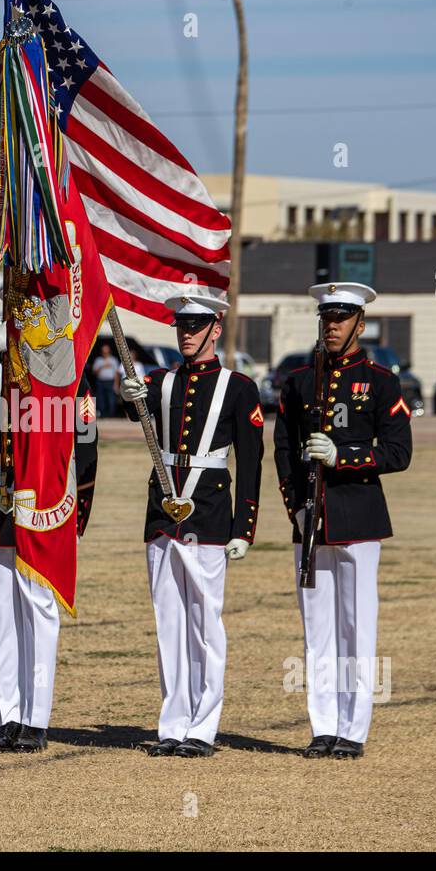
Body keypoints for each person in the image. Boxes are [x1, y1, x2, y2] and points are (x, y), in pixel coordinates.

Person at [0, 322, 98, 752]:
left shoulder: (66, 367)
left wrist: (75, 516)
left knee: (38, 606)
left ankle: (36, 719)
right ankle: (7, 715)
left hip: (44, 499)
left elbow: (84, 444)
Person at [119, 292, 264, 758]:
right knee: (169, 622)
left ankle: (203, 726)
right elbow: (146, 425)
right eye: (181, 325)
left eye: (196, 326)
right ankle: (173, 722)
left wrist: (245, 527)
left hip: (209, 510)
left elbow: (252, 460)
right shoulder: (160, 380)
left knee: (205, 622)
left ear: (215, 329)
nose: (186, 333)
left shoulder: (238, 387)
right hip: (163, 509)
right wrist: (129, 400)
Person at [273, 282, 413, 760]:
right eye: (326, 318)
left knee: (356, 628)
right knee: (317, 628)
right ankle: (323, 725)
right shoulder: (297, 381)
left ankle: (352, 729)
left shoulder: (380, 382)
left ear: (360, 323)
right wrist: (294, 503)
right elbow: (285, 447)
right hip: (311, 520)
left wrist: (345, 456)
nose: (331, 327)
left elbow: (398, 452)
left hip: (358, 517)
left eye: (341, 318)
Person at [90, 342, 119, 418]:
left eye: (106, 352)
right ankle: (102, 415)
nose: (105, 353)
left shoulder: (113, 360)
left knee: (111, 398)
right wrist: (102, 367)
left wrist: (116, 384)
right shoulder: (98, 360)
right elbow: (94, 372)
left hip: (110, 381)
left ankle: (111, 415)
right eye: (103, 352)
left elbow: (116, 373)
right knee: (100, 399)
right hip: (100, 381)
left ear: (109, 351)